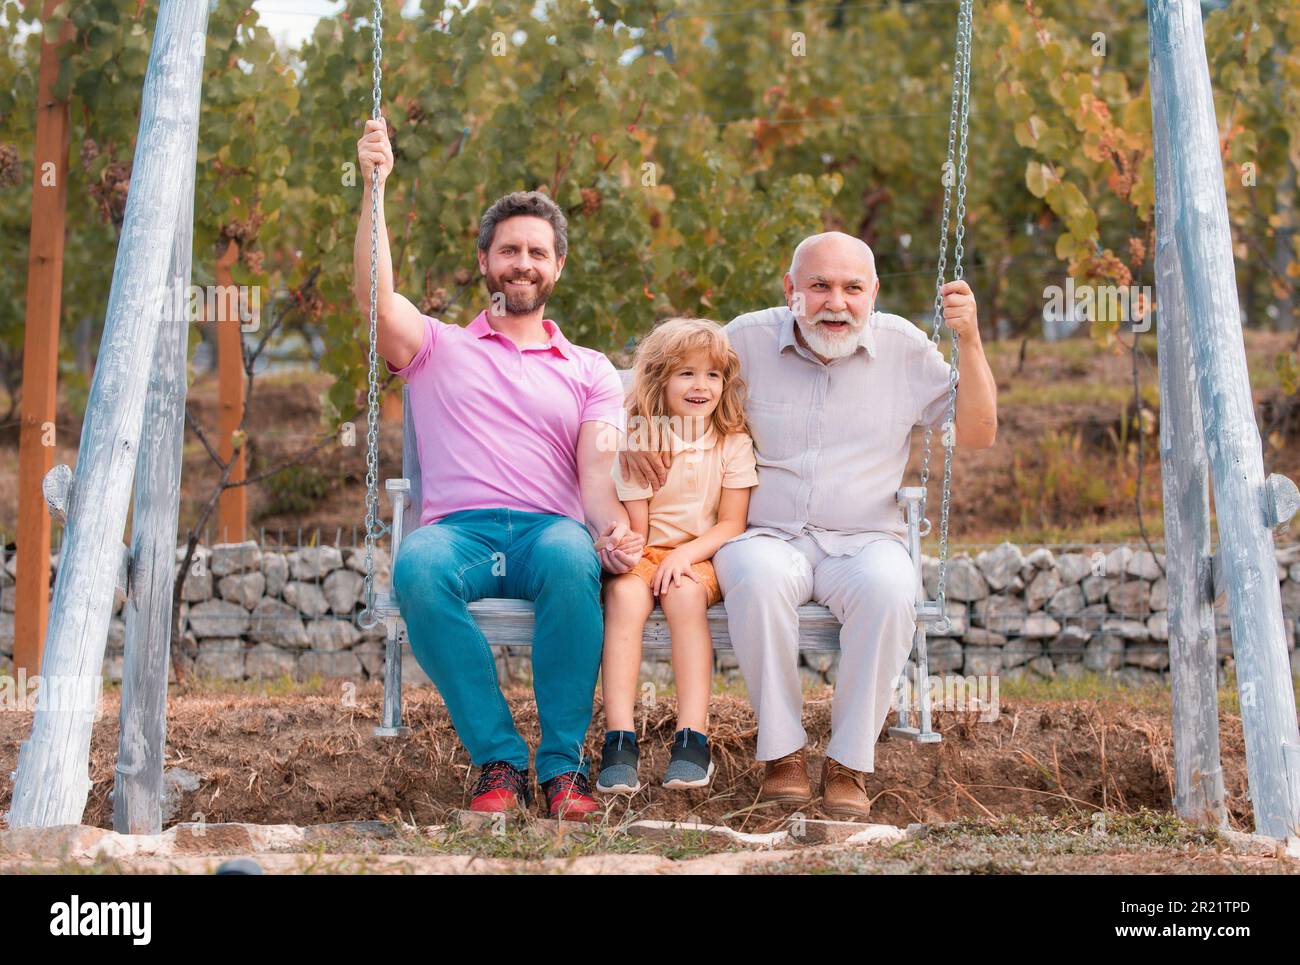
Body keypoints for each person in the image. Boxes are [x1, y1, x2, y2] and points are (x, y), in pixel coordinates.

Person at [620, 232, 998, 820]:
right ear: (791, 290)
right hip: (766, 535)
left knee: (892, 590)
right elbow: (659, 375)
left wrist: (969, 339)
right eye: (819, 286)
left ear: (873, 293)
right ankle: (784, 755)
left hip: (866, 539)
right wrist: (628, 440)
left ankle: (848, 763)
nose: (836, 302)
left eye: (852, 288)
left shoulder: (905, 348)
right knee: (756, 577)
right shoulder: (744, 338)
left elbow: (977, 431)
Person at [353, 117, 644, 820]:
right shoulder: (438, 346)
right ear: (485, 260)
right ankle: (500, 759)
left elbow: (597, 473)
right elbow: (372, 296)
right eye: (509, 249)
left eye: (537, 251)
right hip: (463, 537)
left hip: (550, 533)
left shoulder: (591, 370)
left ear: (557, 266)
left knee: (575, 550)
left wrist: (612, 530)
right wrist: (373, 187)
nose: (523, 262)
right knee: (416, 564)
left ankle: (564, 769)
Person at [596, 318, 757, 794]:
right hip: (648, 552)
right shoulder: (641, 442)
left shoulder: (732, 443)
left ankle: (692, 738)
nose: (701, 385)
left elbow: (732, 524)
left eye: (712, 375)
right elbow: (638, 526)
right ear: (659, 380)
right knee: (624, 598)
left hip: (699, 556)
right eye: (686, 373)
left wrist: (683, 556)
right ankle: (619, 739)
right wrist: (625, 546)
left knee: (685, 597)